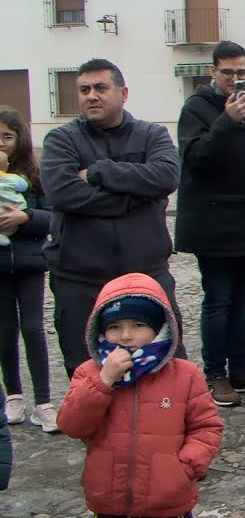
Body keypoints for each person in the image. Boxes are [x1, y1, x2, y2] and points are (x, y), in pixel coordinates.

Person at [57, 273, 223, 518]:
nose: (126, 336)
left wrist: (185, 467)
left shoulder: (184, 375)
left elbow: (206, 426)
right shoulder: (89, 373)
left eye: (137, 326)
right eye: (115, 327)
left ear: (159, 328)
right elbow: (71, 424)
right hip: (110, 503)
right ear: (100, 331)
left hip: (168, 502)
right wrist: (103, 381)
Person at [41, 59, 183, 379]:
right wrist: (135, 197)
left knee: (165, 362)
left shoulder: (152, 135)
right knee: (86, 370)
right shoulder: (60, 140)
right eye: (84, 90)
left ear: (123, 93)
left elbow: (166, 177)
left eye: (101, 88)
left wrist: (97, 172)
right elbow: (63, 193)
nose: (91, 95)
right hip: (80, 279)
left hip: (147, 274)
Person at [176, 40, 245, 408]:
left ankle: (241, 368)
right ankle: (215, 373)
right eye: (228, 73)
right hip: (214, 224)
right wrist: (227, 121)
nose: (235, 80)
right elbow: (195, 159)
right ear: (212, 71)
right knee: (218, 300)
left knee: (242, 301)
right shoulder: (196, 108)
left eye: (241, 73)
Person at [0, 107, 55, 432]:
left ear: (19, 139)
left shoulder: (34, 175)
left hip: (30, 263)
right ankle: (14, 395)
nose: (2, 144)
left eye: (7, 136)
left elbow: (52, 217)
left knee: (33, 329)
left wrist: (26, 218)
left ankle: (44, 401)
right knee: (5, 330)